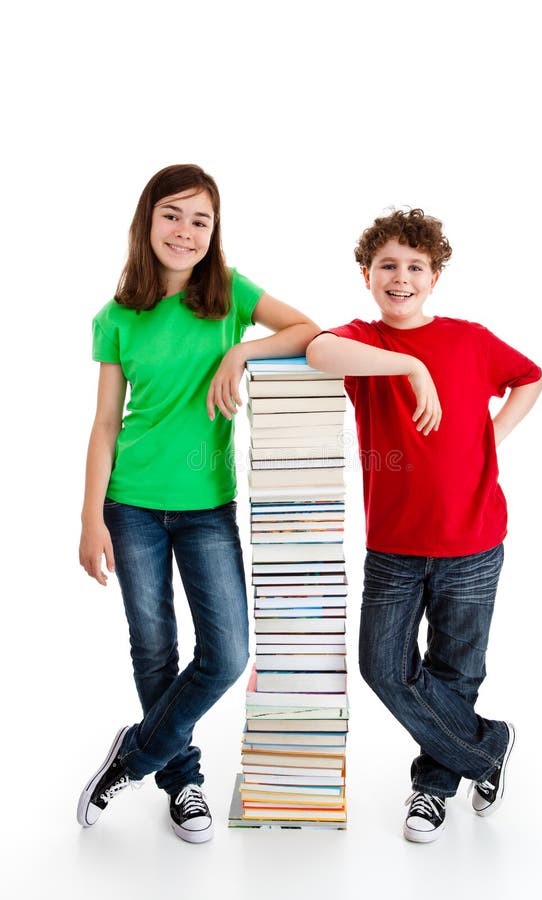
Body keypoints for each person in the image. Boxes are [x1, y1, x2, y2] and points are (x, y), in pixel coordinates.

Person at [77, 164, 319, 843]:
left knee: (227, 653)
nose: (185, 231)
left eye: (200, 220)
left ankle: (132, 756)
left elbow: (306, 330)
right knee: (154, 648)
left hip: (208, 507)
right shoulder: (117, 317)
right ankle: (183, 781)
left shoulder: (230, 294)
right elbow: (104, 424)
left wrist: (241, 351)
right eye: (173, 215)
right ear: (147, 222)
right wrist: (90, 516)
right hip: (130, 506)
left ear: (214, 233)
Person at [306, 208, 542, 843]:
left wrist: (492, 437)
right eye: (388, 265)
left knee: (455, 669)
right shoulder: (363, 341)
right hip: (394, 545)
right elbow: (317, 348)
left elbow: (530, 377)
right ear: (367, 275)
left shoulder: (470, 339)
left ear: (434, 277)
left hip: (473, 537)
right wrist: (411, 369)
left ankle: (433, 788)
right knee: (383, 666)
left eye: (415, 267)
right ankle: (486, 747)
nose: (401, 277)